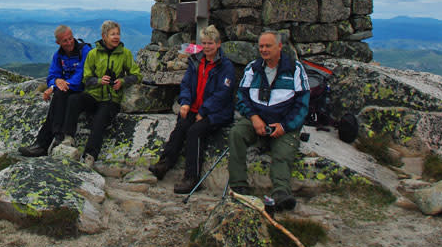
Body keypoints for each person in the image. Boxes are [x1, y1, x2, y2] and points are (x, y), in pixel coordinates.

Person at [227, 30, 310, 211]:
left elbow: (302, 104)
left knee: (282, 153)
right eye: (261, 46)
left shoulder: (295, 69)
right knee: (236, 134)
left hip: (284, 124)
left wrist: (284, 126)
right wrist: (254, 118)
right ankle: (238, 186)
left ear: (279, 47)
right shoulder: (253, 68)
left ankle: (281, 193)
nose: (264, 50)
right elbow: (241, 97)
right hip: (257, 121)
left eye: (268, 46)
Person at [148, 25, 235, 194]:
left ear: (218, 44)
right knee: (182, 125)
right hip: (194, 108)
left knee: (195, 131)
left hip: (217, 113)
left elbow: (222, 94)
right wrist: (186, 102)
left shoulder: (226, 66)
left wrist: (204, 111)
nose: (207, 46)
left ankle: (191, 177)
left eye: (211, 43)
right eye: (204, 43)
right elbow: (186, 83)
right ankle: (164, 164)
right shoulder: (196, 61)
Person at [64, 20, 140, 168]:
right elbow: (86, 78)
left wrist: (122, 82)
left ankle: (90, 156)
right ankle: (68, 138)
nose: (116, 37)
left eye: (118, 34)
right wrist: (99, 81)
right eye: (113, 34)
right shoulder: (93, 54)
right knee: (74, 99)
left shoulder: (125, 54)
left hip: (111, 99)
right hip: (93, 96)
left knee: (100, 119)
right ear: (104, 36)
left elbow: (136, 75)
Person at [19, 25, 91, 157]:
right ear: (58, 42)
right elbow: (52, 75)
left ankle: (45, 142)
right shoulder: (58, 56)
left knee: (60, 96)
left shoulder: (85, 51)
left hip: (83, 90)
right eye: (65, 41)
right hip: (67, 90)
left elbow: (82, 74)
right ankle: (51, 140)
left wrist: (59, 85)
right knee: (59, 96)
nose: (69, 42)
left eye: (70, 38)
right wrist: (55, 83)